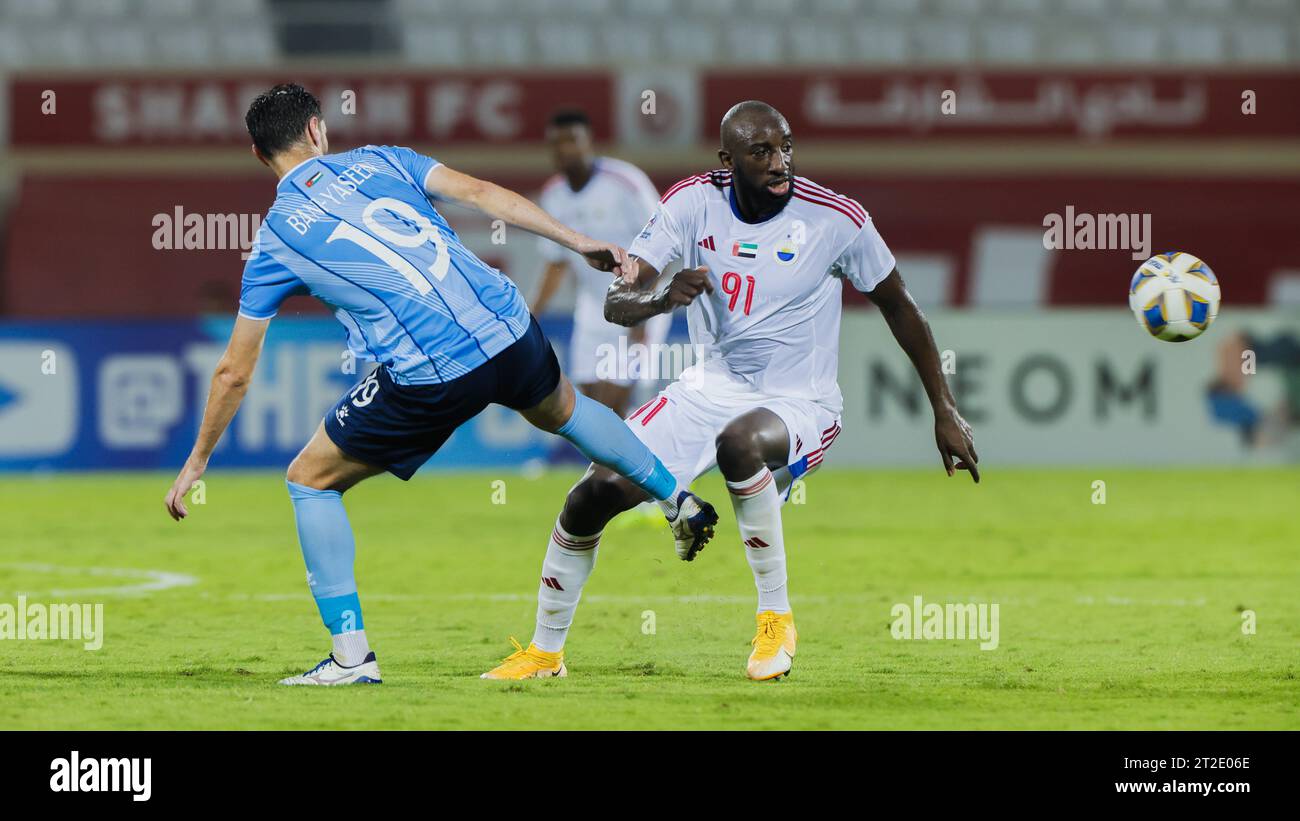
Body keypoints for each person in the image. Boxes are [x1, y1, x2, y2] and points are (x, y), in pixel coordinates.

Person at [162, 84, 718, 687]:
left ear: (257, 154)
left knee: (309, 481)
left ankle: (352, 658)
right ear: (319, 130)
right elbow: (484, 196)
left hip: (434, 370)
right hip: (507, 324)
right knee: (568, 410)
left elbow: (234, 371)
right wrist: (580, 241)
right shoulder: (382, 158)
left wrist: (197, 460)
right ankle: (675, 497)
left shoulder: (274, 242)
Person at [483, 101, 978, 682]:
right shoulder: (691, 203)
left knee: (738, 444)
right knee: (591, 495)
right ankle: (545, 654)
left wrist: (943, 409)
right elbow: (618, 300)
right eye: (762, 152)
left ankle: (775, 618)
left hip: (800, 399)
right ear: (728, 160)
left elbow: (900, 306)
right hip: (706, 389)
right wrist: (663, 298)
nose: (779, 162)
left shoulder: (836, 219)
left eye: (786, 147)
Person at [532, 109, 672, 417]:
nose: (563, 148)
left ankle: (641, 448)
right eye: (556, 142)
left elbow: (667, 245)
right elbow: (556, 263)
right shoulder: (553, 195)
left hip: (638, 303)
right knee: (592, 406)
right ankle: (637, 451)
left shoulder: (625, 182)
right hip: (592, 309)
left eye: (572, 140)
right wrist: (532, 316)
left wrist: (642, 311)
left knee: (612, 403)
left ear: (589, 142)